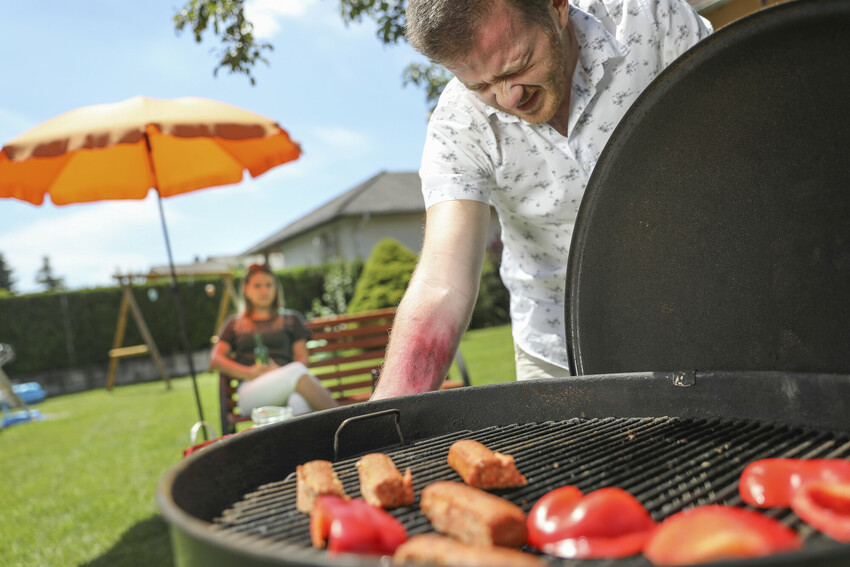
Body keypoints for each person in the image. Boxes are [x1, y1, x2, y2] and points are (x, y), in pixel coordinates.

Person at [371, 0, 712, 399]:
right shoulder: (458, 126)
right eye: (479, 86)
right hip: (555, 351)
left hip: (702, 316)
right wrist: (387, 412)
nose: (508, 98)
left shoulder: (651, 22)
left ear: (557, 6)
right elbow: (441, 285)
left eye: (516, 66)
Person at [210, 263, 339, 417]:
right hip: (251, 390)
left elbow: (302, 359)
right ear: (246, 289)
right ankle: (346, 423)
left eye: (269, 285)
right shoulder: (234, 324)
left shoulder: (291, 319)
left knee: (298, 400)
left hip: (287, 381)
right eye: (257, 286)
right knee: (296, 372)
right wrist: (249, 372)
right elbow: (215, 359)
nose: (264, 290)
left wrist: (280, 372)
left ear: (276, 288)